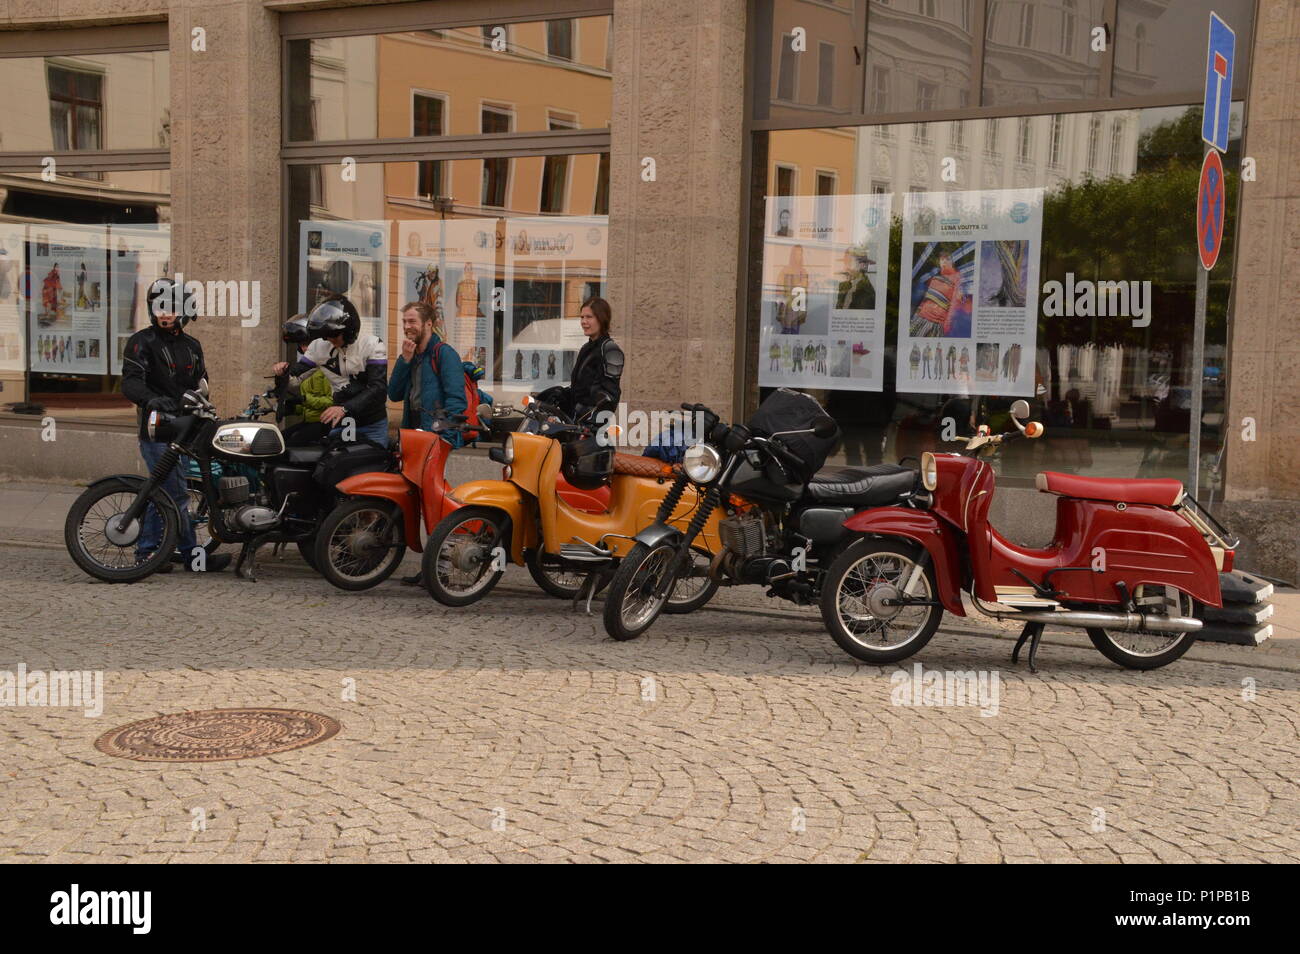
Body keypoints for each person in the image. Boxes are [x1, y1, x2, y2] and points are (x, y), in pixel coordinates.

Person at [121, 277, 231, 573]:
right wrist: (152, 400)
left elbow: (202, 383)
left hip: (187, 429)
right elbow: (130, 383)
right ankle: (152, 553)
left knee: (172, 490)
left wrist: (204, 405)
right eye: (158, 308)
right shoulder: (141, 342)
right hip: (157, 429)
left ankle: (173, 552)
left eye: (170, 308)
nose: (164, 314)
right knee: (172, 491)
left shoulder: (192, 345)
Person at [272, 295, 390, 447]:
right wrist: (282, 373)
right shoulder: (319, 346)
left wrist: (344, 408)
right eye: (326, 335)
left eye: (334, 334)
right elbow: (295, 377)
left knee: (373, 465)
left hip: (372, 424)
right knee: (333, 465)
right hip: (341, 423)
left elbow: (378, 388)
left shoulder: (372, 344)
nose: (329, 339)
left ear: (349, 329)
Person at [387, 301, 468, 442]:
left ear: (428, 324)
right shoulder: (410, 355)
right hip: (412, 428)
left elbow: (457, 400)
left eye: (412, 321)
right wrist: (404, 360)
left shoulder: (444, 353)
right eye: (404, 322)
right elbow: (394, 394)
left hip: (437, 434)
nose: (406, 327)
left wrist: (444, 437)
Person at [544, 296, 623, 419]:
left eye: (589, 317)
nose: (583, 321)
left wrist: (588, 418)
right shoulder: (586, 348)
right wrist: (561, 395)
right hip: (574, 421)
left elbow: (610, 397)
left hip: (591, 427)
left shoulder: (610, 350)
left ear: (602, 319)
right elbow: (580, 389)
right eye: (582, 317)